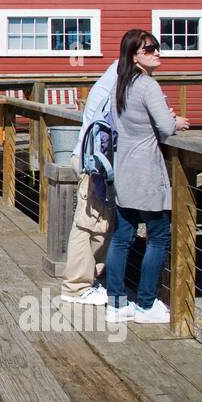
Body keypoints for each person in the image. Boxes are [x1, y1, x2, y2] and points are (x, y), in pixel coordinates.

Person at [104, 30, 190, 323]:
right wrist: (175, 120)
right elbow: (165, 127)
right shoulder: (148, 86)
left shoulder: (122, 84)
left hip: (125, 169)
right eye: (151, 49)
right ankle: (146, 303)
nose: (158, 53)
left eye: (157, 47)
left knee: (122, 237)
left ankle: (116, 302)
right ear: (134, 56)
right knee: (158, 237)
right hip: (147, 174)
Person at [58, 58, 119, 305]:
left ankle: (87, 281)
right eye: (148, 50)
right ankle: (76, 286)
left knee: (97, 223)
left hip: (90, 158)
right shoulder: (118, 84)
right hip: (93, 162)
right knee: (89, 224)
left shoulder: (110, 79)